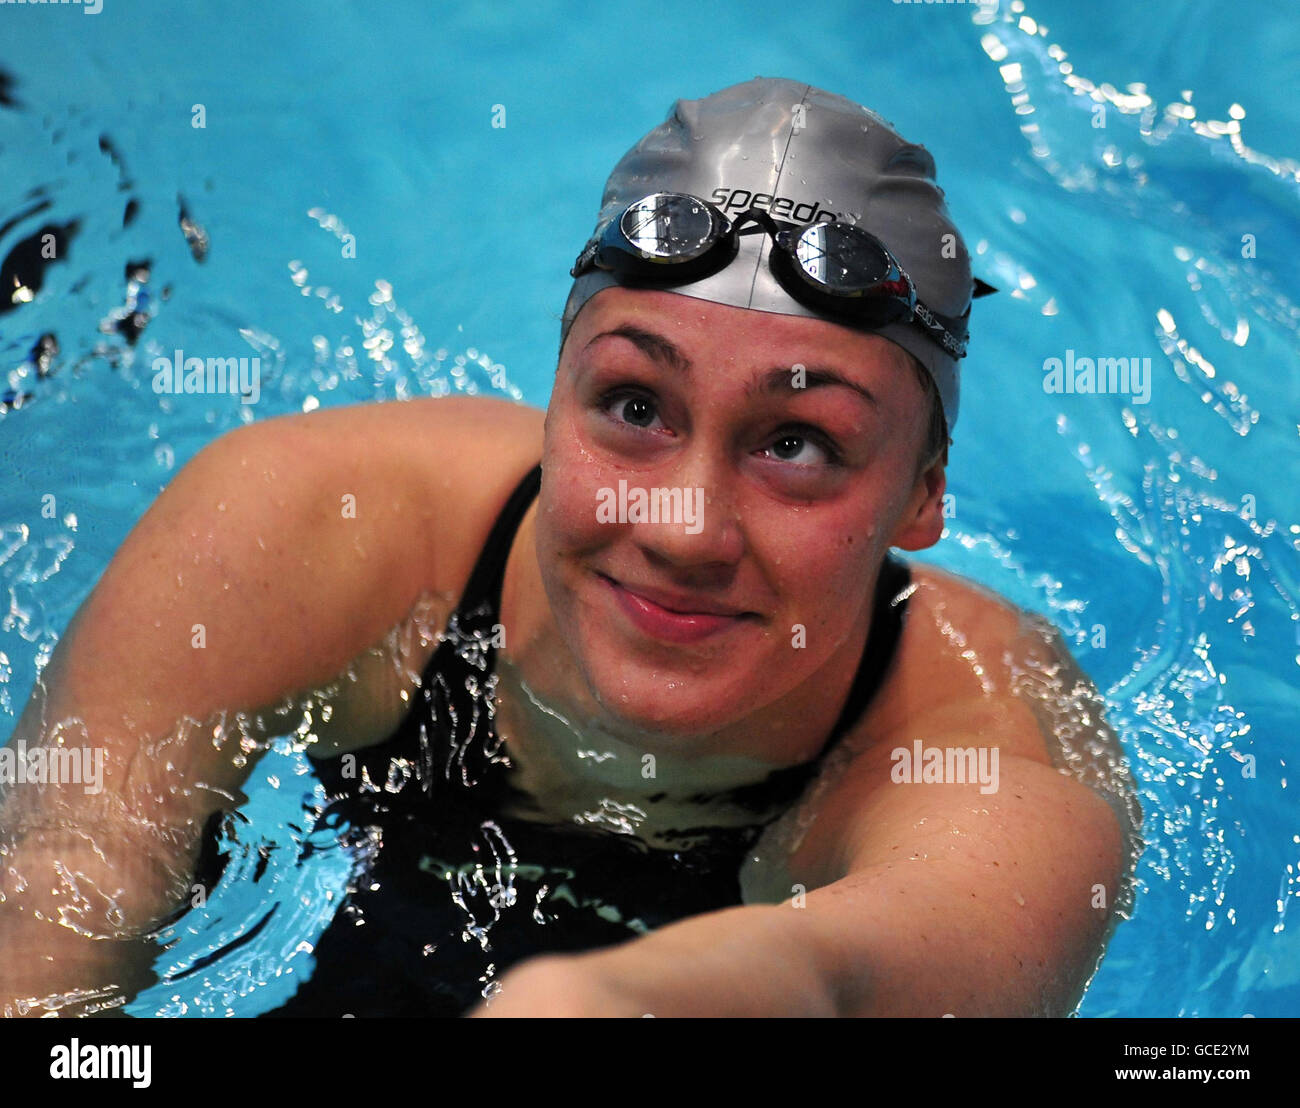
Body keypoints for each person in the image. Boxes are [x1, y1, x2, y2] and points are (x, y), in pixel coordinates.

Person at [0, 77, 1137, 1018]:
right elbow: (55, 910)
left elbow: (847, 979)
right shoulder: (302, 525)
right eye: (635, 406)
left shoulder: (996, 749)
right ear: (552, 397)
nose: (685, 529)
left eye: (795, 442)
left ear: (921, 497)